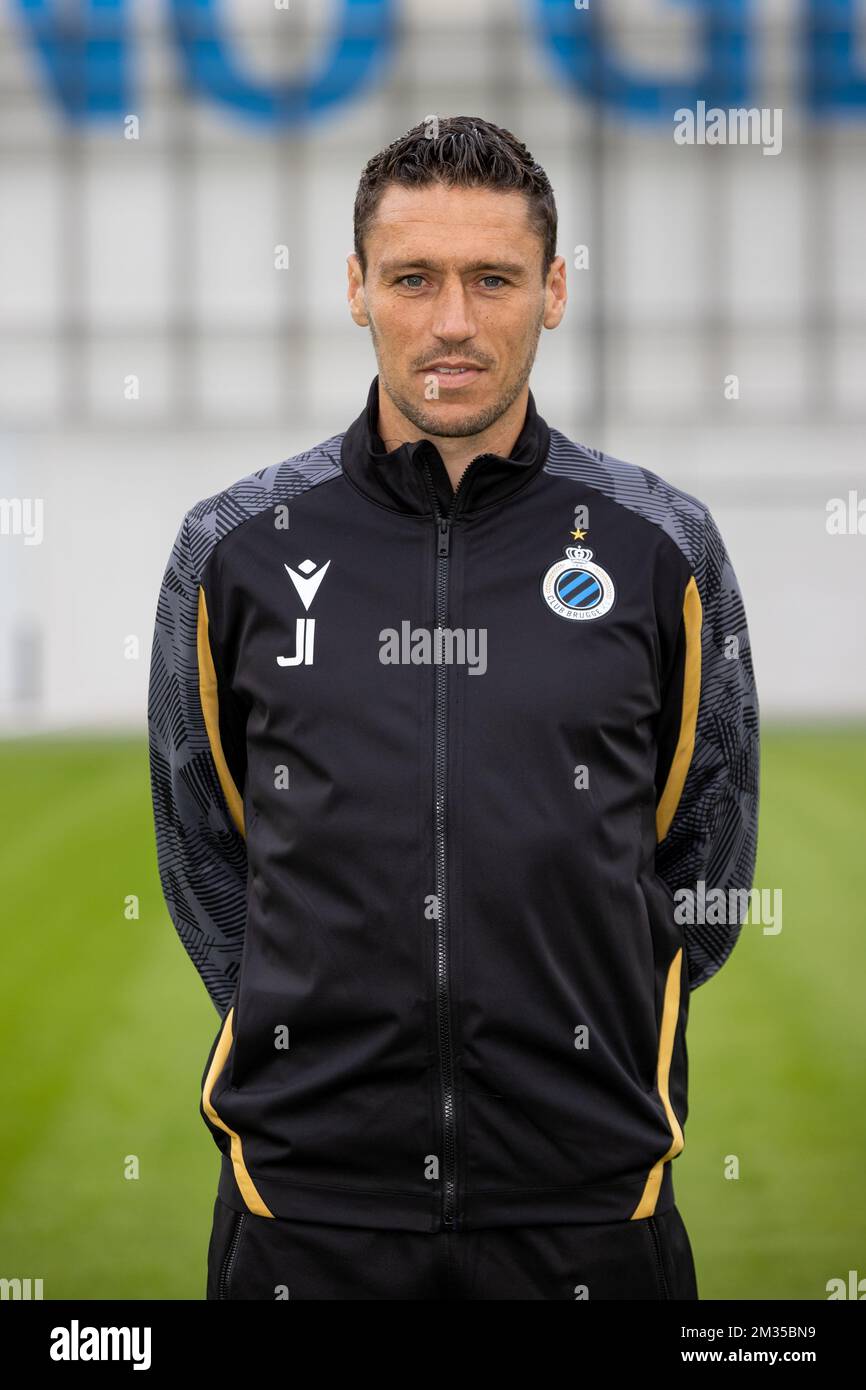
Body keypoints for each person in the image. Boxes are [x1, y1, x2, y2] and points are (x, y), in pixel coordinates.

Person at [147, 115, 759, 1300]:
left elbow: (708, 858)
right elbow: (206, 850)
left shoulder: (660, 547)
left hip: (586, 1205)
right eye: (412, 278)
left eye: (493, 279)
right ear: (354, 289)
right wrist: (327, 1045)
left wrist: (574, 1030)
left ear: (555, 290)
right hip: (307, 1208)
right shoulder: (234, 549)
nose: (452, 323)